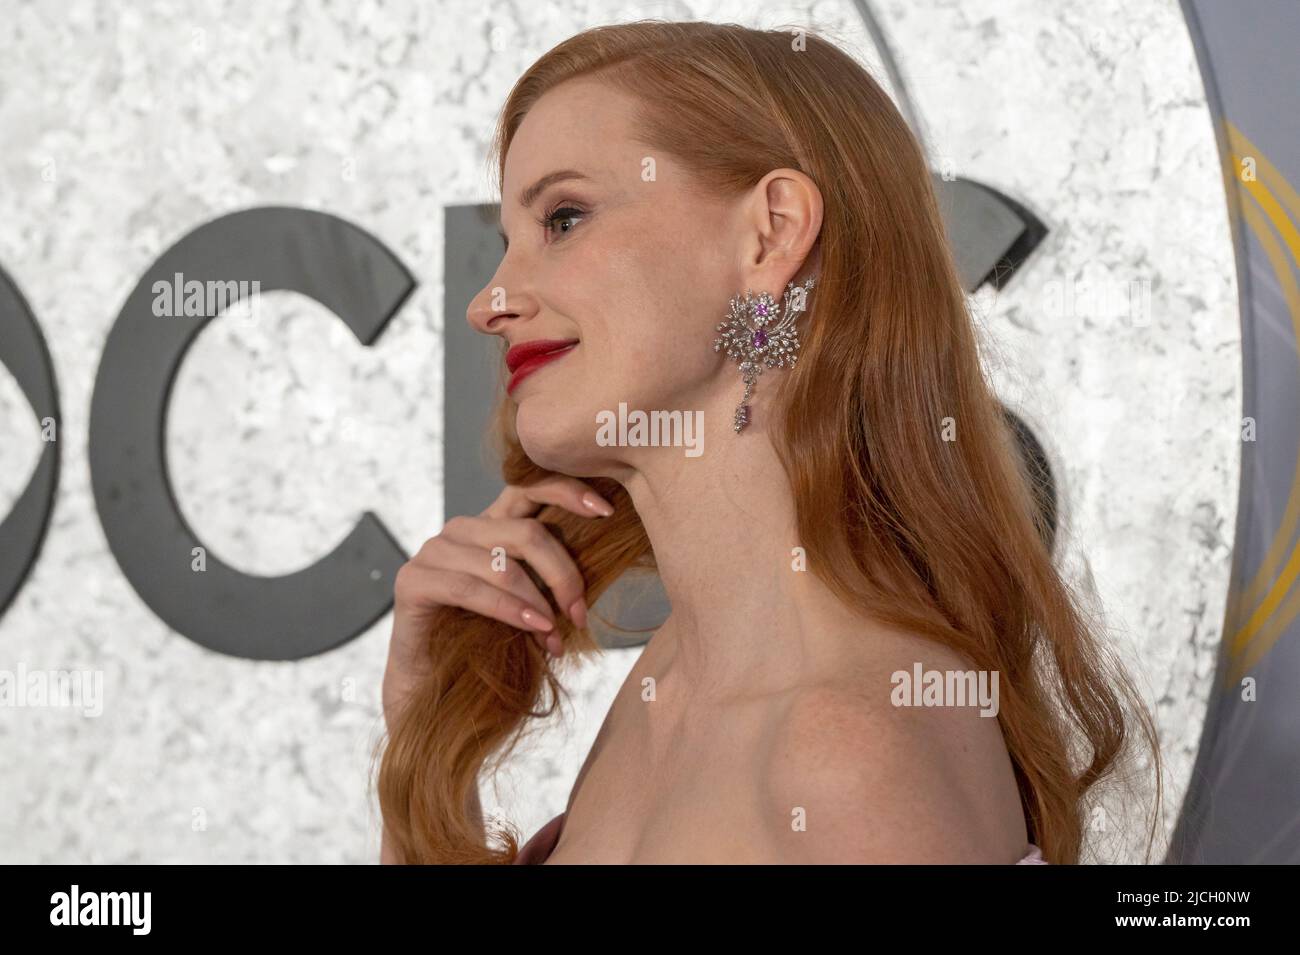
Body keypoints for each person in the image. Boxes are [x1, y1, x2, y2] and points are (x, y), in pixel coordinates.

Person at [376, 20, 1162, 865]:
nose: (487, 302)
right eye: (506, 244)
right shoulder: (669, 688)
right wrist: (423, 730)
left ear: (772, 231)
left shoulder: (846, 750)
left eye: (564, 218)